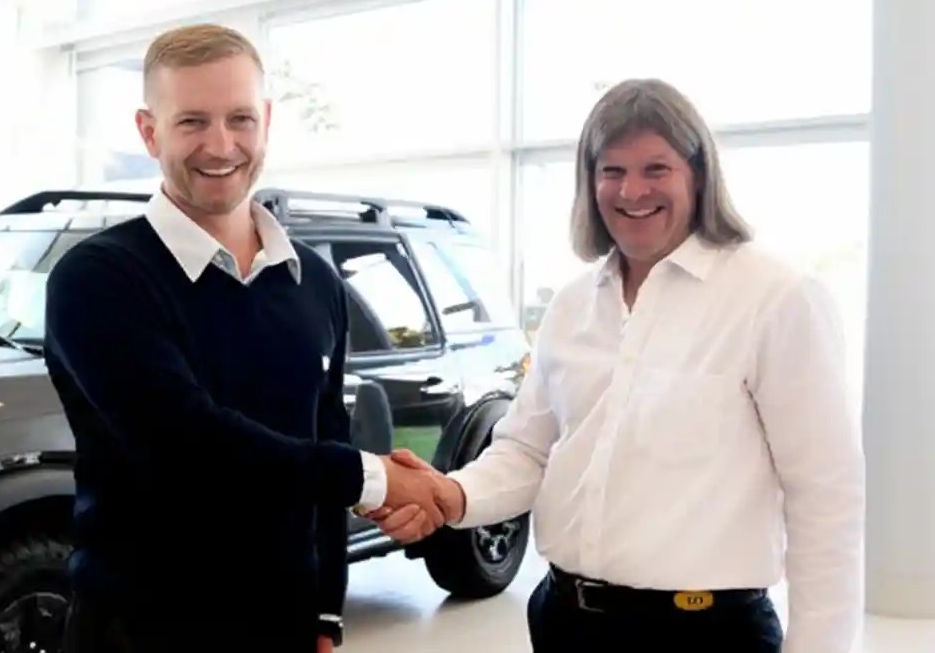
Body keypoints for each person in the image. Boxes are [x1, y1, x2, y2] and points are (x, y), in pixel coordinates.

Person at [370, 78, 865, 653]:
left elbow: (825, 496)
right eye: (612, 170)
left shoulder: (776, 297)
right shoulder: (573, 304)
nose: (632, 191)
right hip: (566, 621)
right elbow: (528, 450)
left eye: (657, 168)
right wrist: (451, 495)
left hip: (704, 635)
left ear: (698, 175)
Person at [42, 23, 444, 653]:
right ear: (149, 132)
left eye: (240, 119)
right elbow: (188, 445)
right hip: (141, 631)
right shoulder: (98, 279)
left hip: (284, 625)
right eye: (192, 122)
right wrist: (372, 480)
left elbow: (324, 439)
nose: (220, 145)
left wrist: (326, 612)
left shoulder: (315, 281)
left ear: (267, 122)